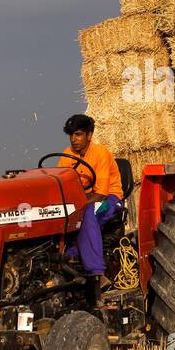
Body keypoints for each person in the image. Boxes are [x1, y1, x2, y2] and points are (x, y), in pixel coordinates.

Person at [57, 114, 123, 290]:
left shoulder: (101, 153)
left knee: (88, 212)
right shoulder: (66, 155)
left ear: (89, 135)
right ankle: (63, 256)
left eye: (78, 134)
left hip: (110, 200)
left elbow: (101, 193)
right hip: (83, 201)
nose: (74, 139)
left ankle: (97, 272)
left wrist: (79, 206)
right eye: (71, 135)